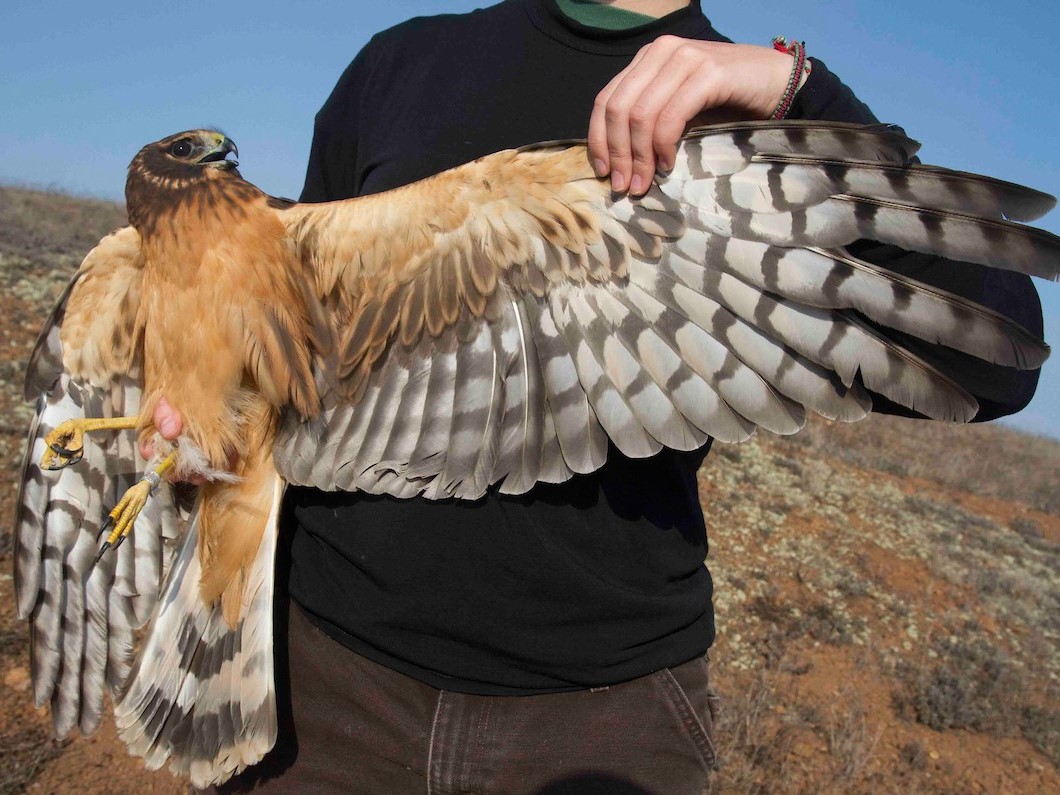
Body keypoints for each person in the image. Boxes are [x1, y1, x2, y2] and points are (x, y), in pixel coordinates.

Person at [150, 1, 1040, 792]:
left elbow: (1001, 353)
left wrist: (793, 90)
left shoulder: (740, 106)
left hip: (599, 718)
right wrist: (208, 413)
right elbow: (287, 347)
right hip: (331, 684)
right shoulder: (399, 66)